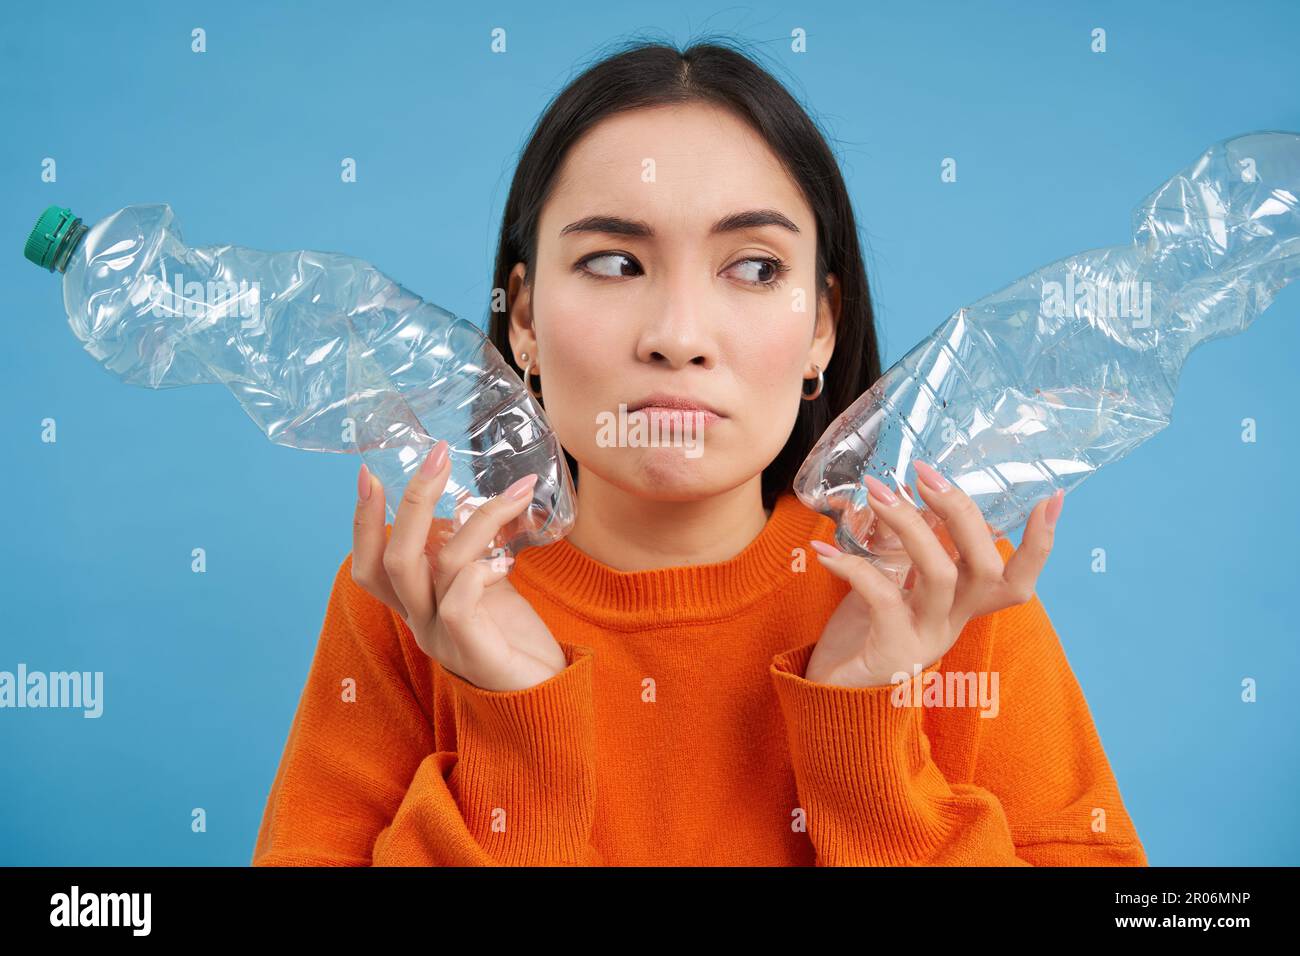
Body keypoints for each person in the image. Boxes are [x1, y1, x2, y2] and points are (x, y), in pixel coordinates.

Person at [251, 37, 1147, 867]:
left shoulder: (940, 588)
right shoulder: (417, 594)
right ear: (522, 317)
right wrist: (515, 734)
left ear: (822, 329)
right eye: (612, 262)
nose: (677, 337)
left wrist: (867, 736)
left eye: (754, 268)